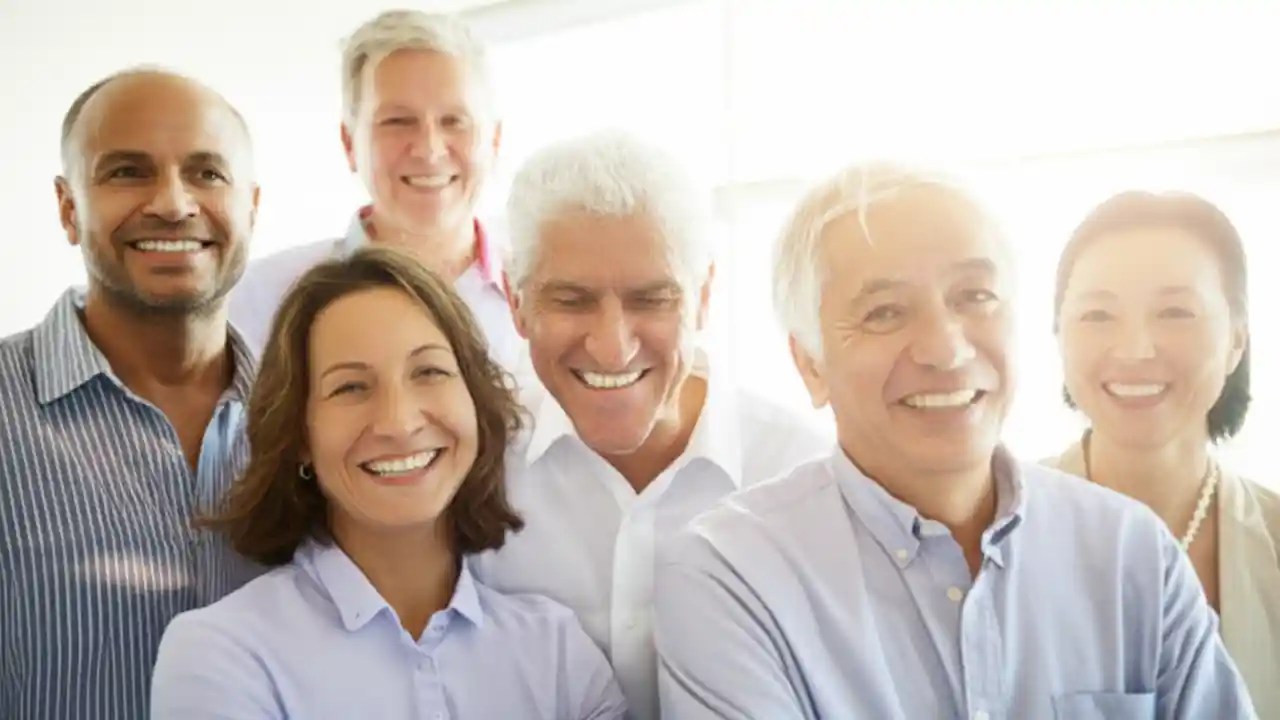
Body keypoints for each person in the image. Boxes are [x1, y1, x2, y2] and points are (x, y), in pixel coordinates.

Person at [653, 163, 1256, 719]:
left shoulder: (1133, 553)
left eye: (975, 297)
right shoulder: (732, 577)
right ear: (810, 363)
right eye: (885, 312)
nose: (946, 349)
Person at [150, 246, 626, 719]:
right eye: (351, 387)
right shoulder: (223, 656)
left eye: (429, 372)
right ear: (299, 435)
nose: (398, 423)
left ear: (476, 403)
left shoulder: (557, 653)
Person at [470, 131, 832, 720]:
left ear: (703, 298)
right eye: (572, 300)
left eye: (651, 299)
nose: (613, 347)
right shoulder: (472, 466)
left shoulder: (803, 473)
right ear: (515, 301)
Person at [0, 68, 261, 718]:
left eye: (207, 172)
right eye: (126, 172)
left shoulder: (317, 414)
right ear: (68, 208)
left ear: (252, 206)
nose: (173, 203)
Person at [1045, 190, 1279, 717]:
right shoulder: (986, 532)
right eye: (1098, 314)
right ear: (1059, 336)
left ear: (1236, 342)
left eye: (1175, 312)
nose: (1135, 349)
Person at [229, 9, 523, 377]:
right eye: (397, 122)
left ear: (494, 141)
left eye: (454, 121)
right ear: (350, 144)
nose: (429, 150)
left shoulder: (545, 294)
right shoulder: (261, 300)